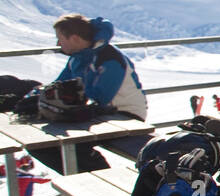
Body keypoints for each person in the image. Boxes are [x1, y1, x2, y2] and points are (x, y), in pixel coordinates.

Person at [30, 15, 148, 173]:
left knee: (65, 144)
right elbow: (59, 85)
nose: (58, 44)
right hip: (97, 114)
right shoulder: (78, 58)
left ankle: (98, 178)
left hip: (125, 114)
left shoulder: (109, 58)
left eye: (60, 38)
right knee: (40, 145)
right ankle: (94, 174)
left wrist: (70, 97)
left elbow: (101, 97)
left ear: (74, 38)